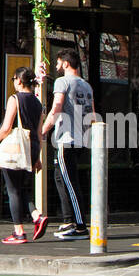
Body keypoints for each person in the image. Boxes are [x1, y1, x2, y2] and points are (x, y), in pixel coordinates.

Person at [40, 49, 94, 240]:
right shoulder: (86, 86)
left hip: (66, 139)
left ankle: (80, 227)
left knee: (70, 183)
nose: (56, 66)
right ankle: (68, 221)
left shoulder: (62, 82)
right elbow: (92, 114)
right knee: (60, 178)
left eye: (57, 62)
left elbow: (57, 107)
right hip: (81, 139)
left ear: (65, 64)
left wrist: (43, 129)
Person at [0, 66, 47, 243]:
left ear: (19, 81)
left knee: (12, 190)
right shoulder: (38, 103)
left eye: (14, 79)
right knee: (21, 188)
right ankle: (37, 216)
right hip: (32, 147)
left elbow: (7, 127)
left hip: (16, 148)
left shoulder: (14, 99)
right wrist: (38, 157)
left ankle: (18, 231)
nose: (13, 82)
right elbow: (39, 133)